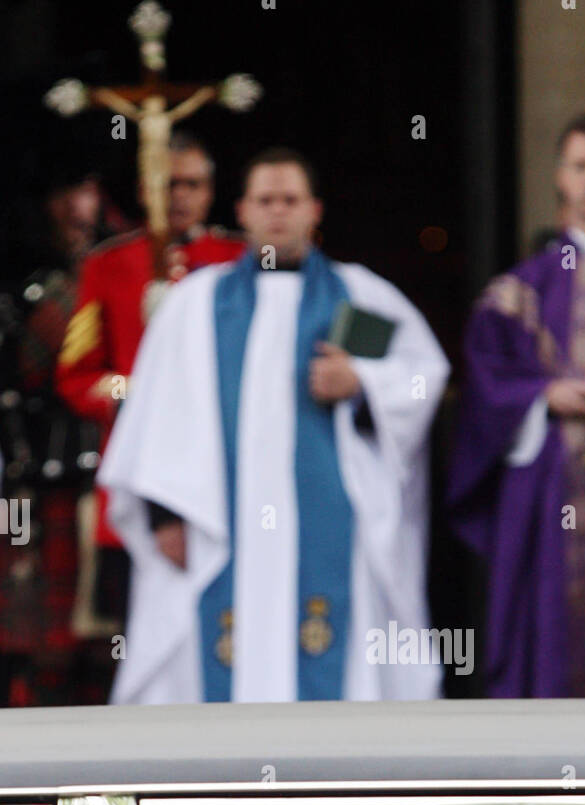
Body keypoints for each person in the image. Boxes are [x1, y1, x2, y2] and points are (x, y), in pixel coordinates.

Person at [99, 147, 449, 704]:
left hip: (333, 525)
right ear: (242, 210)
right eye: (265, 200)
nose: (277, 213)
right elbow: (153, 418)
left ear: (315, 210)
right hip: (218, 529)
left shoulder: (359, 296)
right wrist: (165, 516)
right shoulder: (196, 303)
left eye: (290, 200)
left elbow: (422, 379)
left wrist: (361, 383)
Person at [448, 112, 585, 697]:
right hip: (549, 501)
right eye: (581, 167)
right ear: (560, 178)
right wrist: (544, 395)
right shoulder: (517, 293)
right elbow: (482, 390)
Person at [54, 131, 245, 636]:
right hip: (141, 476)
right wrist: (132, 392)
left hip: (230, 473)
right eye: (167, 184)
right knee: (139, 637)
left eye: (191, 184)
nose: (178, 196)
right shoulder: (107, 265)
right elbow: (78, 378)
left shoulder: (240, 263)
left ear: (209, 191)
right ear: (144, 190)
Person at [0, 160, 126, 706]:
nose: (80, 206)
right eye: (68, 191)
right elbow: (40, 364)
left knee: (105, 643)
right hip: (31, 487)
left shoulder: (122, 269)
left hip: (103, 482)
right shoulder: (33, 290)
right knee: (38, 646)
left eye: (90, 190)